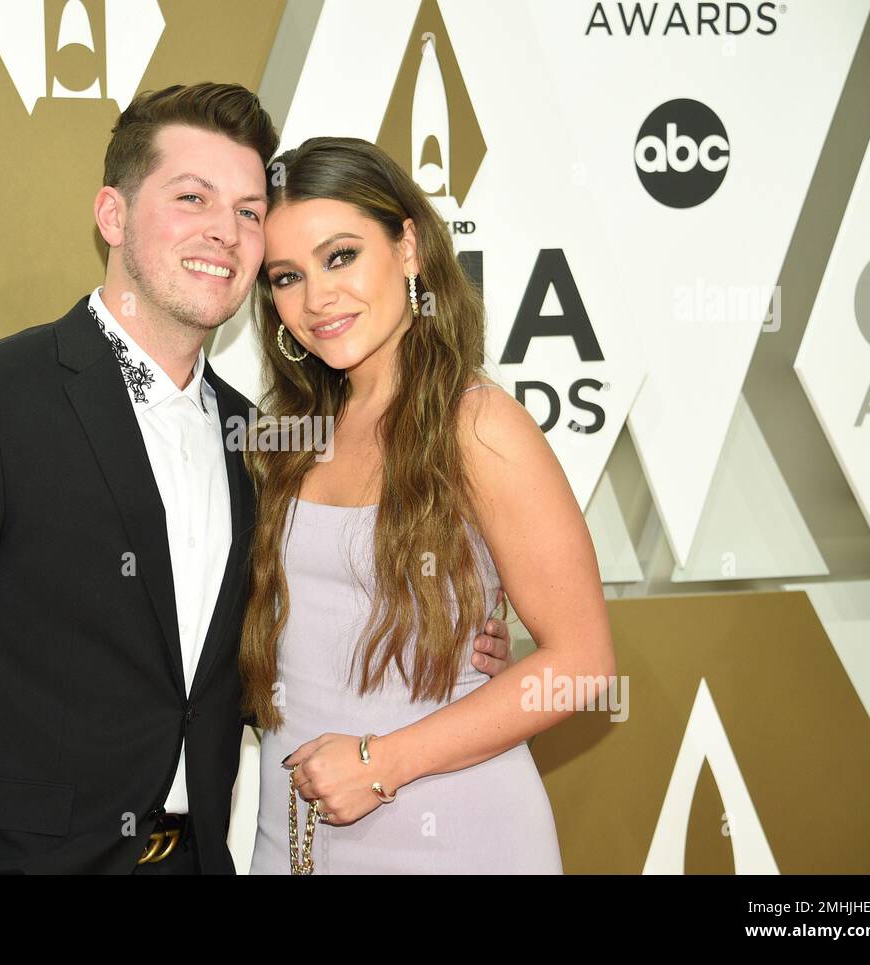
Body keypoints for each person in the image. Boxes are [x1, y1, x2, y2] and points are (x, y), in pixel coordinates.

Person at [0, 84, 512, 875]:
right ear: (112, 217)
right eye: (193, 198)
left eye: (250, 212)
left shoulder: (261, 440)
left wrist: (454, 633)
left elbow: (259, 655)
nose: (224, 231)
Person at [242, 136, 616, 874]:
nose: (317, 298)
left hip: (450, 831)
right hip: (292, 832)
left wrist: (382, 762)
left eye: (341, 255)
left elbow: (584, 660)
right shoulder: (292, 433)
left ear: (407, 245)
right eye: (287, 275)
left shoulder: (477, 424)